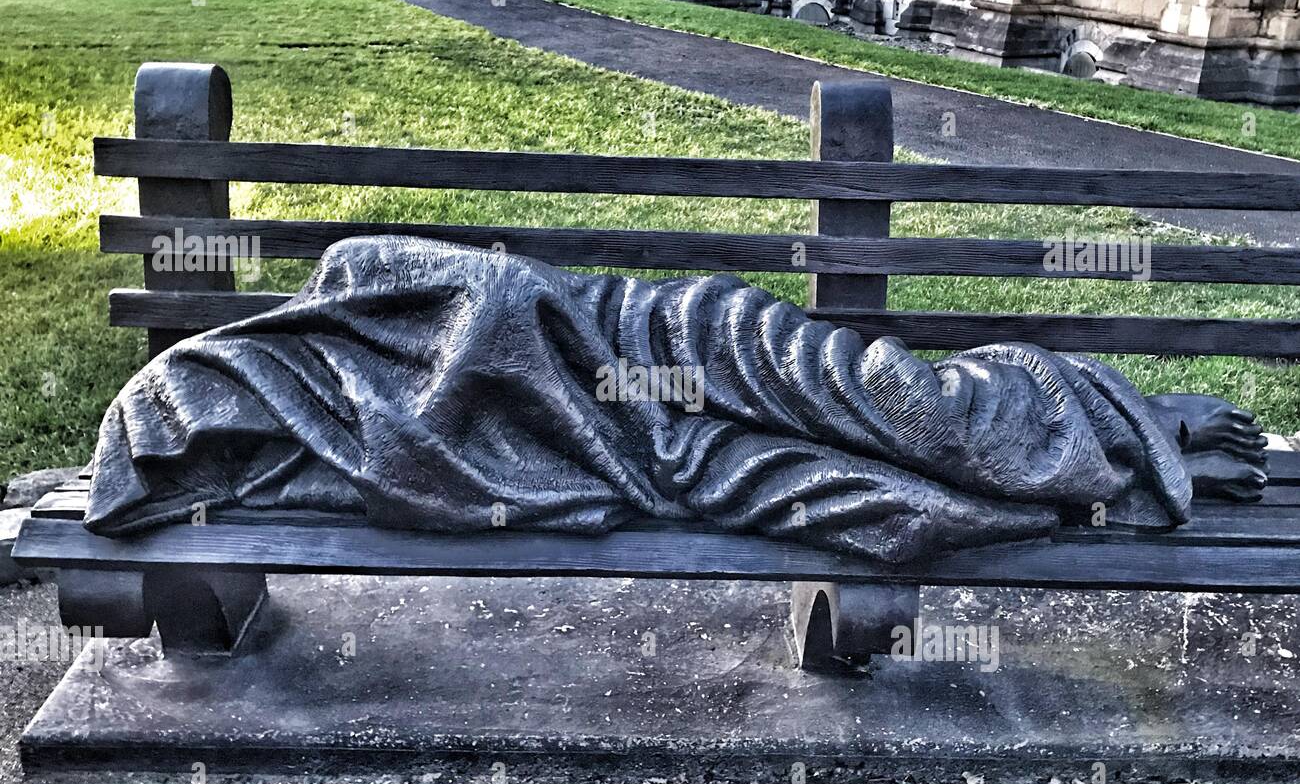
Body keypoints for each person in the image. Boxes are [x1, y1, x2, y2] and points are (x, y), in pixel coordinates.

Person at [83, 237, 1268, 563]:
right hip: (653, 451)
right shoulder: (324, 447)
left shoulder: (360, 284)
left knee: (910, 409)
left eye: (193, 449)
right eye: (203, 465)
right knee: (872, 506)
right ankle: (1108, 476)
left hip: (673, 340)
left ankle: (1129, 420)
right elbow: (455, 468)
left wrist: (487, 404)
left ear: (219, 387)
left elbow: (501, 301)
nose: (214, 462)